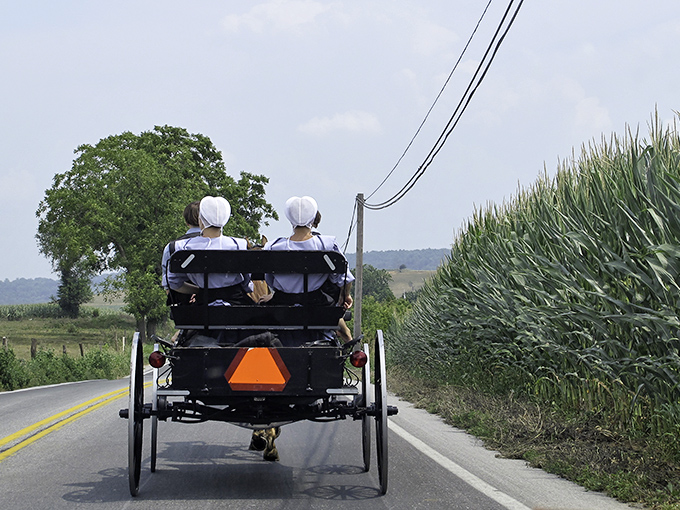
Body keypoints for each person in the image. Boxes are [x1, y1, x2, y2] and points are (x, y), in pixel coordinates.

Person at [260, 196, 354, 342]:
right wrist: (345, 295)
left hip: (282, 308)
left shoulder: (273, 247)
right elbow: (344, 279)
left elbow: (270, 281)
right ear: (313, 217)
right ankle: (346, 337)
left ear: (289, 218)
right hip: (318, 307)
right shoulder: (327, 244)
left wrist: (278, 293)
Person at [166, 196, 254, 306]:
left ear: (201, 220)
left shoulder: (182, 247)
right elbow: (247, 282)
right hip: (236, 305)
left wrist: (199, 291)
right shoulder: (239, 245)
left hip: (203, 306)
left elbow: (174, 283)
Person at [161, 201, 201, 305]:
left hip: (184, 310)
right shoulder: (219, 246)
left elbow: (168, 286)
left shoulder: (172, 248)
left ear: (187, 222)